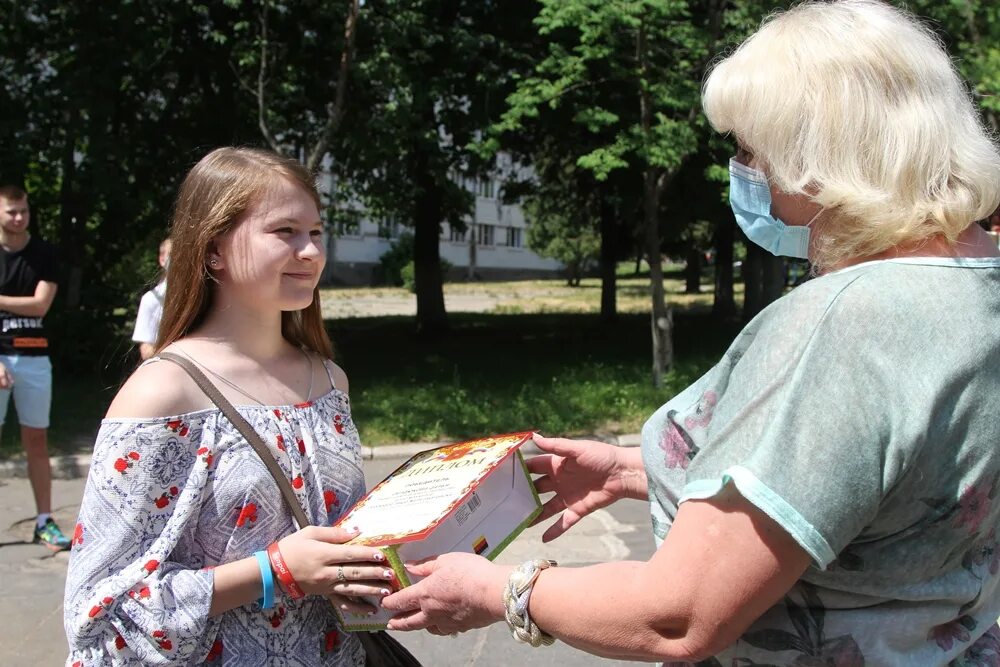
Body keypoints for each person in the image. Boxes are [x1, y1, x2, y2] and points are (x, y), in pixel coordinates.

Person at [380, 1, 1000, 664]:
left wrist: (501, 589)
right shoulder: (978, 283)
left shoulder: (845, 320)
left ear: (815, 151)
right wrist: (630, 468)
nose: (745, 169)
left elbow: (679, 616)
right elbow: (881, 487)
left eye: (751, 146)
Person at [64, 148, 390, 665]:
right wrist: (274, 571)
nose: (310, 252)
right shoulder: (163, 394)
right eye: (285, 231)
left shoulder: (329, 380)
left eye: (317, 232)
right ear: (213, 249)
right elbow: (98, 613)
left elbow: (339, 543)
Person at [0, 184, 68, 551]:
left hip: (34, 357)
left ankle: (45, 521)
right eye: (11, 211)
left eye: (23, 210)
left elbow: (41, 305)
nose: (18, 217)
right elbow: (30, 301)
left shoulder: (43, 253)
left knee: (37, 440)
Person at [131, 238, 172, 360]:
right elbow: (146, 350)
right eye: (173, 254)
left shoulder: (204, 296)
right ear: (162, 259)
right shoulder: (151, 300)